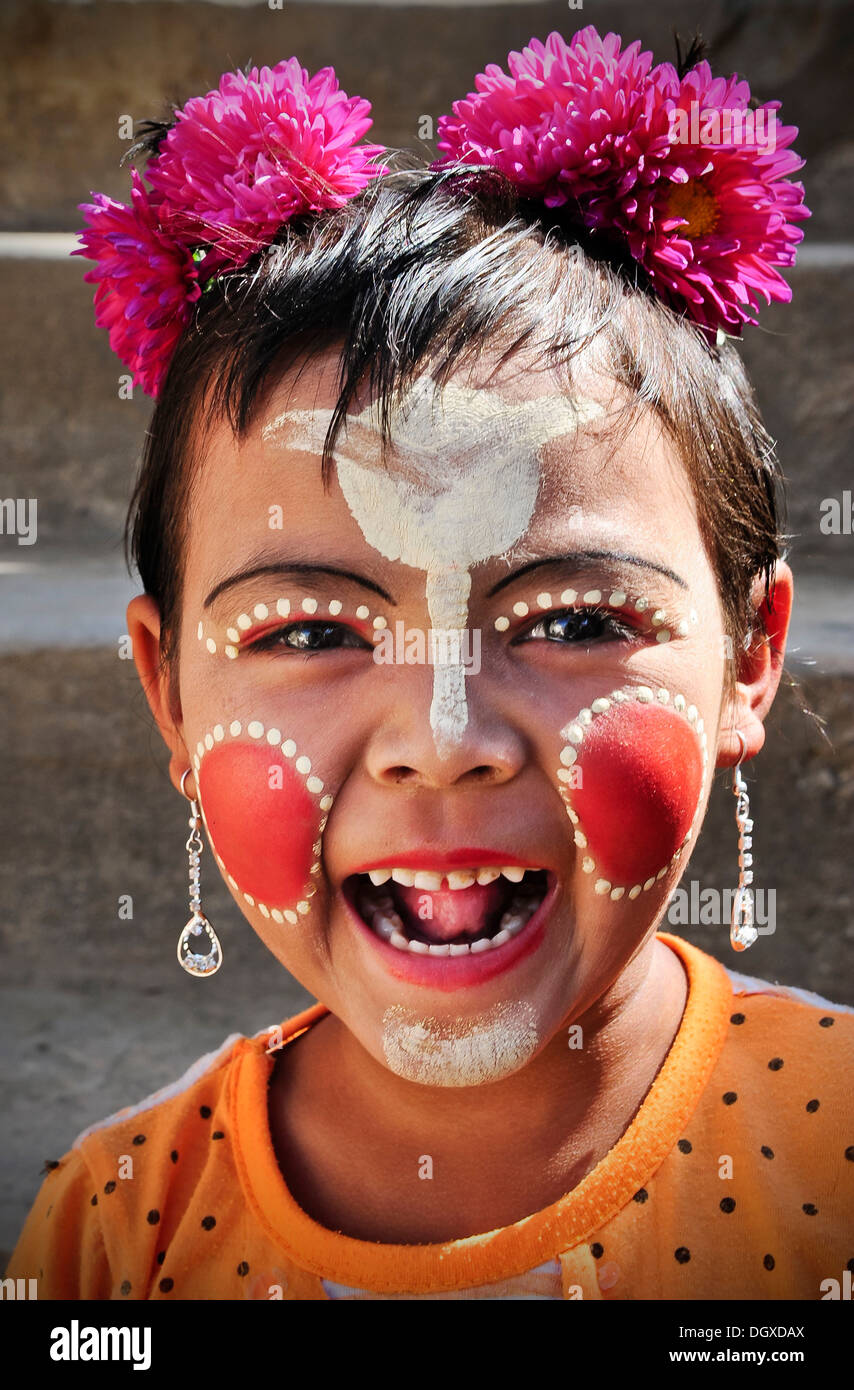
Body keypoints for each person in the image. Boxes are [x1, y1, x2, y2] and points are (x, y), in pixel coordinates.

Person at [8, 26, 852, 1301]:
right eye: (307, 633)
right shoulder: (118, 1236)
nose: (443, 732)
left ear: (749, 659)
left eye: (571, 621)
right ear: (168, 691)